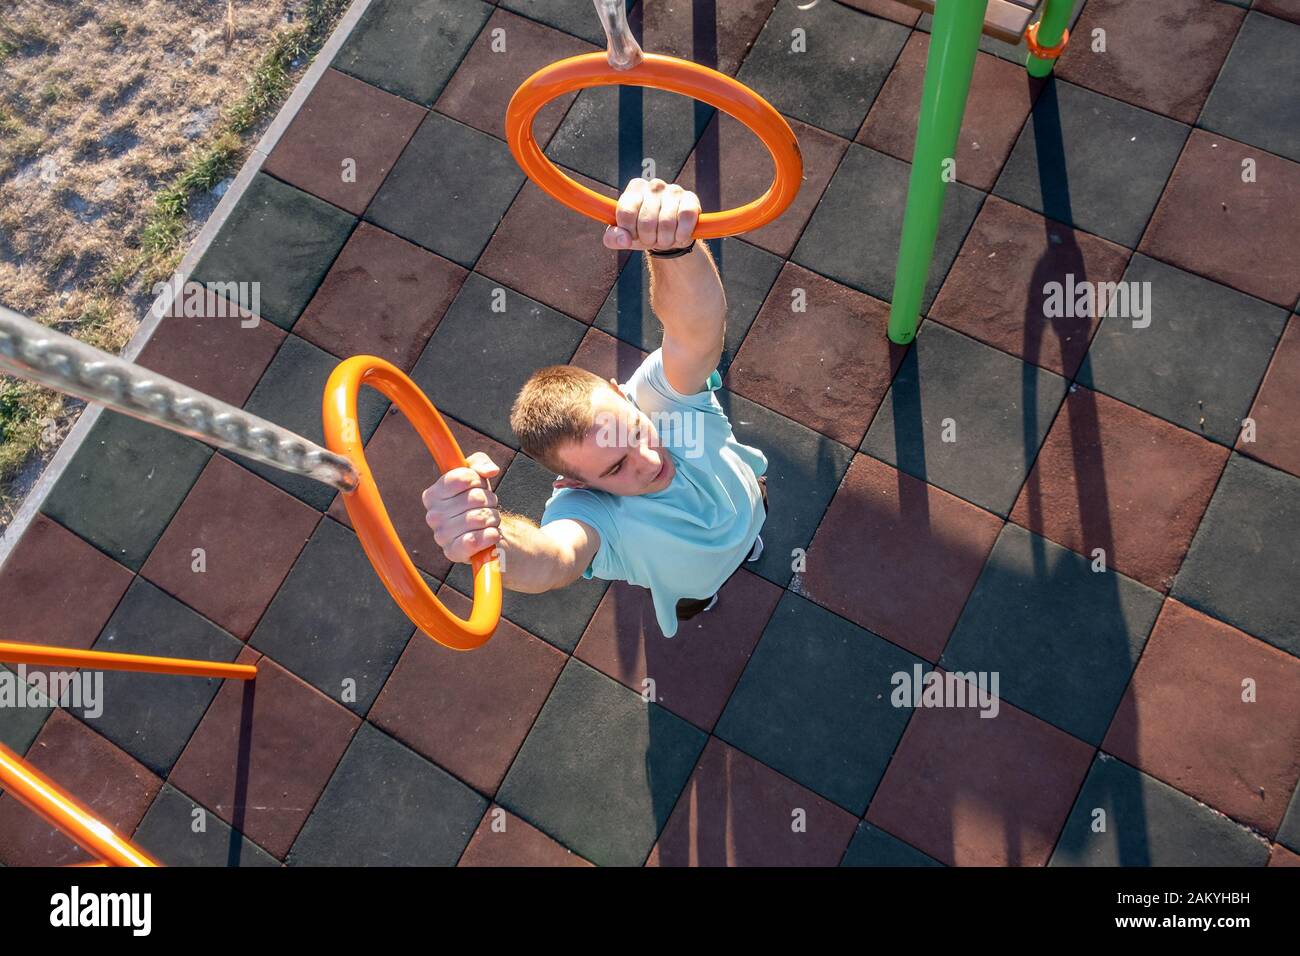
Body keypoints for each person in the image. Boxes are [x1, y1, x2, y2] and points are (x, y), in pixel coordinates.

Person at [422, 178, 767, 637]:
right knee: (695, 596)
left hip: (748, 500)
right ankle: (708, 589)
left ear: (619, 394)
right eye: (615, 468)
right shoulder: (590, 513)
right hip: (689, 583)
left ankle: (747, 542)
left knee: (752, 520)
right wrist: (489, 538)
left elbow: (696, 332)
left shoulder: (657, 398)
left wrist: (674, 251)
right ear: (574, 484)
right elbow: (553, 560)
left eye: (637, 433)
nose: (649, 461)